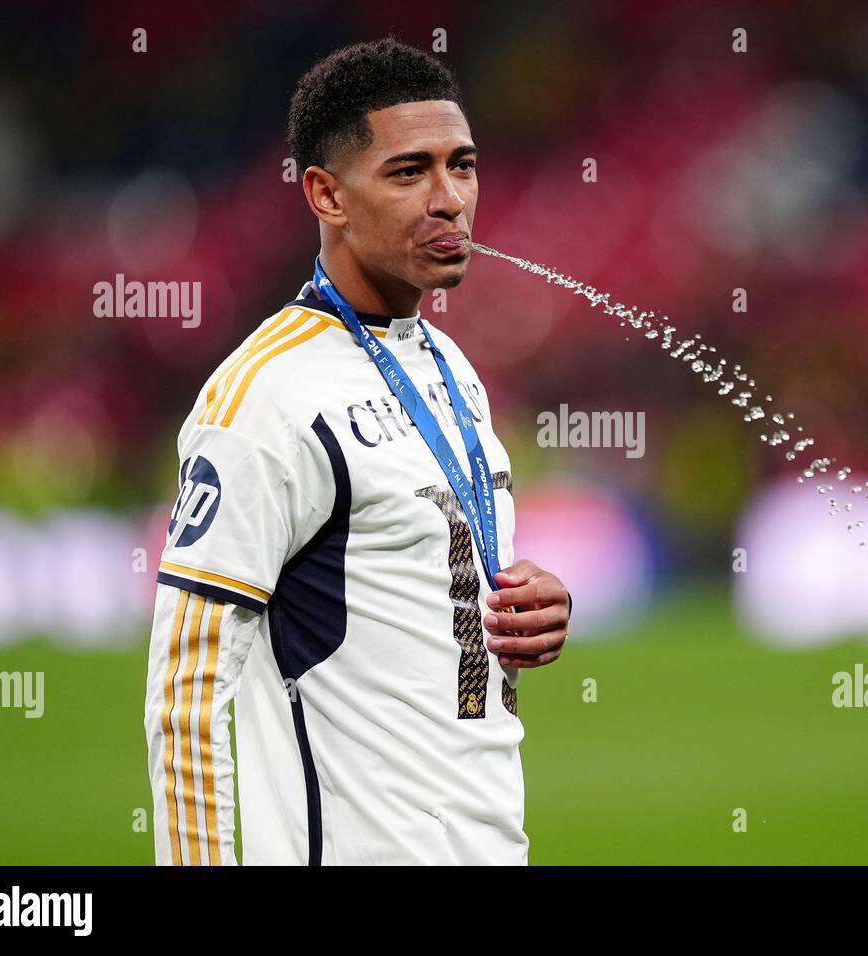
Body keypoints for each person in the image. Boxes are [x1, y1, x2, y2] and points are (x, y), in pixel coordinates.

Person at [143, 37, 571, 865]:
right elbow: (186, 689)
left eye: (464, 165)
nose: (450, 199)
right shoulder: (266, 397)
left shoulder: (450, 369)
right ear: (327, 195)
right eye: (410, 172)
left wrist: (522, 609)